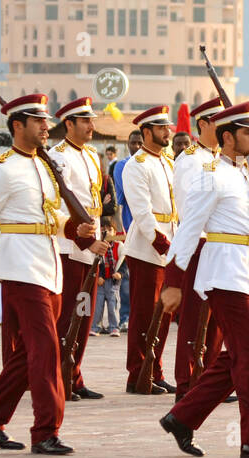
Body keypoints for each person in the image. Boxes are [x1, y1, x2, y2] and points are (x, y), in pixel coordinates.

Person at [0, 94, 98, 453]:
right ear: (17, 126)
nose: (45, 127)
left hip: (48, 265)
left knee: (28, 354)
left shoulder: (43, 166)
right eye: (37, 121)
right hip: (21, 268)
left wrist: (75, 230)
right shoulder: (1, 169)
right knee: (45, 350)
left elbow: (51, 218)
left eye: (45, 121)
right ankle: (46, 431)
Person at [157, 101, 249, 458]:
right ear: (228, 136)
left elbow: (238, 227)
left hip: (248, 271)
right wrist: (173, 280)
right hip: (224, 275)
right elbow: (189, 229)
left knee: (237, 357)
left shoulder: (244, 173)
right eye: (248, 132)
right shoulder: (210, 174)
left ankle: (183, 416)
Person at [47, 96, 111, 401]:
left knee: (84, 314)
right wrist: (86, 240)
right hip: (69, 247)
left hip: (91, 247)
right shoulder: (57, 156)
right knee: (68, 315)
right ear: (68, 124)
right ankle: (59, 374)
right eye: (85, 121)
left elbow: (94, 203)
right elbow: (62, 206)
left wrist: (101, 232)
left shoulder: (91, 156)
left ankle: (74, 372)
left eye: (92, 120)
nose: (91, 126)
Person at [169, 97, 225, 399]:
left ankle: (210, 378)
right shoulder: (189, 160)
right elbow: (189, 211)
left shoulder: (222, 158)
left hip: (220, 247)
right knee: (194, 318)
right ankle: (187, 381)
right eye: (218, 120)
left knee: (216, 318)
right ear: (202, 123)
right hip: (199, 244)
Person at [121, 106, 178, 394]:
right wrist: (165, 247)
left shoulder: (167, 163)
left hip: (168, 243)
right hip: (147, 248)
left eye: (167, 127)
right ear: (147, 132)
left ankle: (155, 369)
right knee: (145, 314)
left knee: (165, 313)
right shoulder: (137, 164)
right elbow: (142, 214)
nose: (168, 131)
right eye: (162, 127)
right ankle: (138, 372)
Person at [112, 128, 143, 327]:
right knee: (127, 278)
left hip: (156, 231)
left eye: (140, 143)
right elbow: (126, 196)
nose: (137, 147)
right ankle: (125, 317)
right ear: (128, 145)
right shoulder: (121, 166)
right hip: (131, 227)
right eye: (133, 143)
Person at [91, 218, 122, 336]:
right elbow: (95, 261)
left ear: (115, 232)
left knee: (112, 304)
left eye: (110, 229)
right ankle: (95, 326)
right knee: (97, 305)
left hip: (113, 282)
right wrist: (98, 275)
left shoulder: (119, 247)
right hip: (100, 282)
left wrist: (120, 273)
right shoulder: (96, 245)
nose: (107, 232)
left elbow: (123, 263)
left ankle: (114, 327)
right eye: (103, 229)